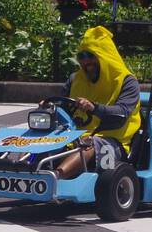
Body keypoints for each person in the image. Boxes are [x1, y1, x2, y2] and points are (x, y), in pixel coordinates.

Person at [53, 25, 142, 180]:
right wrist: (50, 107)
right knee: (41, 133)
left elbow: (121, 113)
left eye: (91, 55)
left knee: (89, 143)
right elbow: (62, 106)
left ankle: (56, 176)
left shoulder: (127, 81)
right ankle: (21, 170)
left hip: (113, 141)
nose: (86, 61)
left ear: (105, 56)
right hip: (73, 136)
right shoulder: (75, 79)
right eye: (82, 56)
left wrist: (94, 108)